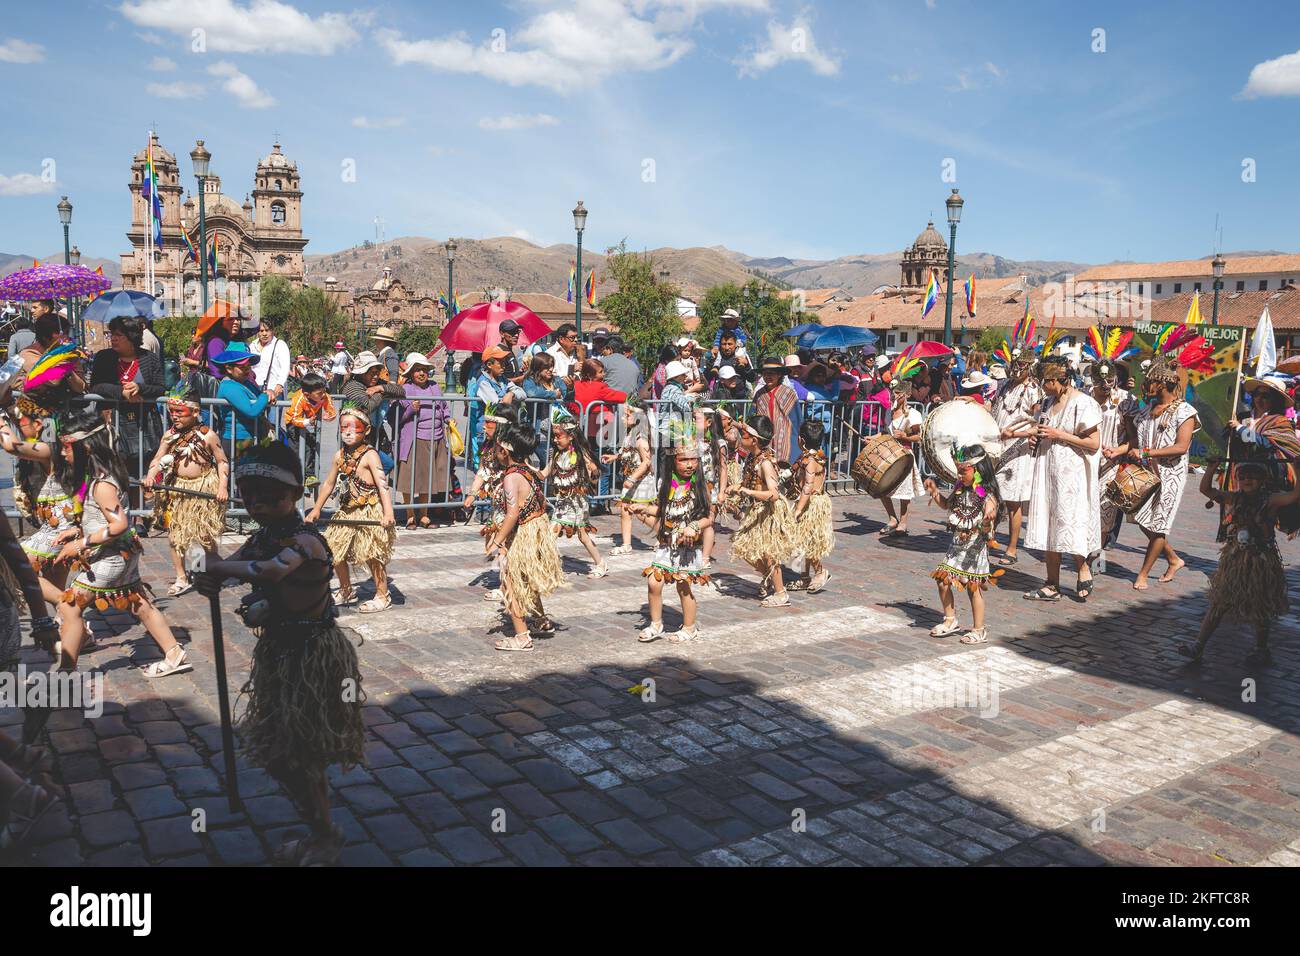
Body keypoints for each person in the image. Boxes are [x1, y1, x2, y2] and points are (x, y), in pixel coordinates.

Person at [194, 441, 365, 867]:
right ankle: (321, 830)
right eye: (249, 496)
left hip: (314, 658)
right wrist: (211, 578)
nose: (257, 505)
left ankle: (325, 836)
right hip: (281, 655)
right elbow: (235, 567)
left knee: (302, 753)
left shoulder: (306, 541)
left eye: (269, 497)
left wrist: (217, 568)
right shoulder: (263, 537)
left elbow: (265, 571)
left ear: (293, 496)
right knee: (283, 754)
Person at [51, 409, 191, 678]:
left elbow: (119, 525)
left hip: (111, 558)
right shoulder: (99, 477)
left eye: (66, 447)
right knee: (138, 603)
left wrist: (82, 543)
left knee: (69, 606)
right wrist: (74, 532)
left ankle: (66, 673)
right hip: (121, 554)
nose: (63, 454)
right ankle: (174, 652)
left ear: (87, 447)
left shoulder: (102, 484)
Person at [1180, 462, 1298, 666]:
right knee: (1219, 602)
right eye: (1242, 476)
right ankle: (1198, 646)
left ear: (1263, 480)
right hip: (1235, 560)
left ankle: (1261, 649)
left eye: (1252, 476)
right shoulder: (1233, 498)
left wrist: (1297, 468)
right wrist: (1211, 468)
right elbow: (1205, 490)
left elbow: (1295, 496)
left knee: (1260, 606)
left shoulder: (1271, 500)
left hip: (1261, 562)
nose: (1246, 480)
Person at [1109, 357, 1198, 590]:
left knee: (1159, 525)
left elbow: (1181, 447)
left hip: (1171, 476)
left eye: (1152, 381)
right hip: (1147, 472)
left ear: (1164, 384)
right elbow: (1136, 440)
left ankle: (1143, 574)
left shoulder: (1184, 411)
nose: (1146, 385)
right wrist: (1129, 430)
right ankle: (1173, 559)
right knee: (1140, 518)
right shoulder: (1147, 410)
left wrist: (1147, 452)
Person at [1022, 356, 1103, 603]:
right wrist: (1035, 438)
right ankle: (1051, 583)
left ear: (1060, 379)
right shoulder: (1047, 403)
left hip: (1073, 474)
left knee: (1070, 521)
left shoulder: (1083, 403)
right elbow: (1041, 430)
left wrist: (1060, 434)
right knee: (1048, 525)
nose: (1043, 386)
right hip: (1047, 470)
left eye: (1046, 381)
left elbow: (1093, 443)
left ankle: (1083, 568)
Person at [308, 405, 397, 613]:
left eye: (353, 427)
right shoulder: (339, 456)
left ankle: (383, 595)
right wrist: (316, 509)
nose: (347, 432)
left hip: (369, 510)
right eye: (343, 427)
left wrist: (388, 512)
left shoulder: (370, 455)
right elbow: (329, 484)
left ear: (366, 431)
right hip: (347, 511)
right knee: (334, 550)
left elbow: (383, 485)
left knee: (372, 553)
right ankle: (347, 590)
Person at [485, 423, 565, 651]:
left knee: (511, 582)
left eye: (496, 448)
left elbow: (512, 514)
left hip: (525, 532)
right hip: (535, 528)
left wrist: (497, 541)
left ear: (505, 451)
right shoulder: (527, 469)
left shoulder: (512, 477)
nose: (494, 452)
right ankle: (541, 620)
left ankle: (522, 636)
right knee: (527, 578)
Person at [144, 382, 229, 597]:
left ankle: (202, 572)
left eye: (179, 412)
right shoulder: (169, 435)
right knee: (176, 535)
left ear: (195, 412)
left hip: (203, 488)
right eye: (172, 412)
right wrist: (151, 476)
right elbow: (156, 460)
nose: (174, 416)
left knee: (203, 536)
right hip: (177, 489)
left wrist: (222, 487)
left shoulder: (208, 435)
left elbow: (222, 462)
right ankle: (181, 577)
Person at [626, 440, 713, 643]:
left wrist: (693, 527)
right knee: (653, 582)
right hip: (667, 543)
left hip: (688, 547)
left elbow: (709, 517)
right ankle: (656, 624)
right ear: (674, 461)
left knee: (683, 586)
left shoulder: (702, 486)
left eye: (693, 459)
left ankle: (690, 627)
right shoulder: (666, 484)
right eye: (684, 460)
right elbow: (663, 509)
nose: (689, 464)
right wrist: (645, 508)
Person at [0, 392, 75, 610]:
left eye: (21, 422)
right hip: (56, 526)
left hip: (60, 530)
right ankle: (75, 629)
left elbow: (11, 446)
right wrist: (8, 404)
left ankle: (72, 612)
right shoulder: (48, 439)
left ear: (39, 424)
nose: (18, 426)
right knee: (54, 582)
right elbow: (24, 422)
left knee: (14, 565)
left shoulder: (49, 449)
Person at [924, 444, 1002, 645]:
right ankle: (950, 620)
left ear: (978, 469)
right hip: (957, 544)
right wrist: (934, 492)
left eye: (963, 471)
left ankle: (979, 629)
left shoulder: (986, 494)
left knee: (972, 587)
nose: (959, 475)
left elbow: (989, 516)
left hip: (975, 549)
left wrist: (988, 518)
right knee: (942, 580)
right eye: (957, 471)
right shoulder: (960, 489)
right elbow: (946, 505)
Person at [89, 315, 165, 503]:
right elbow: (96, 386)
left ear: (131, 336)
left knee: (140, 470)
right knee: (113, 470)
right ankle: (117, 514)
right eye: (111, 334)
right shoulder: (104, 357)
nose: (112, 338)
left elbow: (160, 387)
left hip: (142, 425)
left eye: (118, 335)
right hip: (112, 422)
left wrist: (141, 389)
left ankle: (139, 517)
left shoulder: (149, 358)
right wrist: (121, 392)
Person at [726, 415, 795, 607]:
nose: (741, 436)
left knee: (769, 553)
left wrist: (747, 491)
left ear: (754, 440)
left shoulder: (765, 463)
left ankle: (781, 593)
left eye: (744, 434)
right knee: (745, 549)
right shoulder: (752, 458)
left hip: (768, 511)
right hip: (756, 509)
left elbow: (773, 494)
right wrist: (737, 487)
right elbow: (751, 481)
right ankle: (770, 579)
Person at [990, 354, 1044, 567]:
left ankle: (1012, 548)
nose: (1016, 368)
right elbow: (994, 410)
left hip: (1018, 451)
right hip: (998, 447)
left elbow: (1038, 424)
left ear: (1029, 366)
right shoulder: (1004, 386)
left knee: (1013, 502)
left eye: (1021, 364)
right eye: (1014, 363)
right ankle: (988, 538)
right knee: (991, 497)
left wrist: (1014, 435)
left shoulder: (1034, 390)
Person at [544, 411, 607, 577]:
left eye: (559, 436)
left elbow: (595, 474)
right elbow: (544, 473)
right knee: (552, 531)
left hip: (578, 502)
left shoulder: (581, 454)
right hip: (562, 503)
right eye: (555, 436)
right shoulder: (557, 454)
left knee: (583, 536)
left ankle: (600, 563)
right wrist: (525, 468)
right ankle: (543, 565)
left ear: (570, 436)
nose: (556, 439)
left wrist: (592, 470)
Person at [396, 353, 451, 528]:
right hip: (415, 439)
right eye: (417, 370)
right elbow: (398, 417)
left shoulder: (434, 386)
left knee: (429, 478)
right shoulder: (406, 389)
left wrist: (449, 419)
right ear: (411, 373)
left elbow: (444, 407)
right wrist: (411, 409)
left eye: (424, 370)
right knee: (409, 478)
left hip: (436, 437)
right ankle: (410, 514)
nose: (421, 373)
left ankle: (424, 514)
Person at [1091, 360, 1138, 553]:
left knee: (1105, 514)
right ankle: (1083, 555)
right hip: (1083, 462)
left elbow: (1134, 439)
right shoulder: (1083, 397)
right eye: (1100, 382)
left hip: (1110, 466)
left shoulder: (1125, 400)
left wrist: (1118, 450)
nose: (1104, 387)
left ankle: (1095, 557)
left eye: (1109, 381)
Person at [786, 420, 833, 594]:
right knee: (802, 541)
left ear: (801, 439)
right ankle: (804, 577)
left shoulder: (811, 461)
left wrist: (798, 508)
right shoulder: (817, 455)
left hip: (811, 503)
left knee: (807, 541)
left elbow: (808, 486)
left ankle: (820, 571)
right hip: (812, 500)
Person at [880, 361, 925, 537]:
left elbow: (919, 436)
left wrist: (905, 437)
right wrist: (874, 438)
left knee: (904, 491)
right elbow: (885, 433)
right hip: (891, 454)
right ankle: (892, 518)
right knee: (882, 487)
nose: (894, 396)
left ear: (905, 395)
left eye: (898, 393)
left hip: (905, 455)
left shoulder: (913, 414)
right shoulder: (889, 412)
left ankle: (903, 523)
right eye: (893, 393)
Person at [343, 351, 405, 473]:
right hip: (355, 438)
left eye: (377, 373)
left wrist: (380, 388)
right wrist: (381, 394)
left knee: (382, 466)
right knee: (361, 470)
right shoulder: (352, 386)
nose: (376, 376)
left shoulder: (378, 384)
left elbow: (401, 391)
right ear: (361, 373)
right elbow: (367, 406)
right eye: (372, 373)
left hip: (371, 436)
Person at [606, 403, 655, 555]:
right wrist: (614, 457)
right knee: (625, 509)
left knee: (641, 512)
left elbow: (647, 462)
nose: (622, 418)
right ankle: (627, 544)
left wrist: (633, 478)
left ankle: (666, 533)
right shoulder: (630, 434)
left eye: (627, 415)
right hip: (631, 478)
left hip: (641, 480)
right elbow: (626, 451)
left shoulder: (641, 439)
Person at [213, 341, 269, 458]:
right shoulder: (228, 386)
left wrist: (267, 394)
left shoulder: (246, 383)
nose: (247, 369)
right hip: (237, 440)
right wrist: (266, 396)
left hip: (252, 437)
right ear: (228, 368)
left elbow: (259, 396)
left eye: (248, 365)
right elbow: (252, 410)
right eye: (242, 366)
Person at [283, 371, 336, 491]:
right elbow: (295, 418)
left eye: (324, 391)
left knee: (311, 446)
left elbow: (329, 404)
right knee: (298, 449)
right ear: (307, 394)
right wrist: (307, 421)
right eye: (319, 393)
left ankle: (309, 477)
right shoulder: (299, 399)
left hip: (308, 421)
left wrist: (331, 414)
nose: (323, 394)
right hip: (293, 424)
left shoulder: (323, 396)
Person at [752, 358, 799, 463]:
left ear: (779, 375)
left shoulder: (788, 393)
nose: (768, 376)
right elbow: (753, 416)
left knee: (784, 472)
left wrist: (797, 443)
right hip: (764, 439)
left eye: (772, 373)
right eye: (765, 373)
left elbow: (797, 420)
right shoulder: (759, 394)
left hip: (784, 438)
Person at [250, 316, 292, 401]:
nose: (264, 334)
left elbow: (285, 367)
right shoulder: (252, 345)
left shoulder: (280, 345)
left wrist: (279, 385)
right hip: (255, 389)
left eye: (267, 330)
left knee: (273, 414)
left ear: (272, 331)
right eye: (261, 331)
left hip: (273, 389)